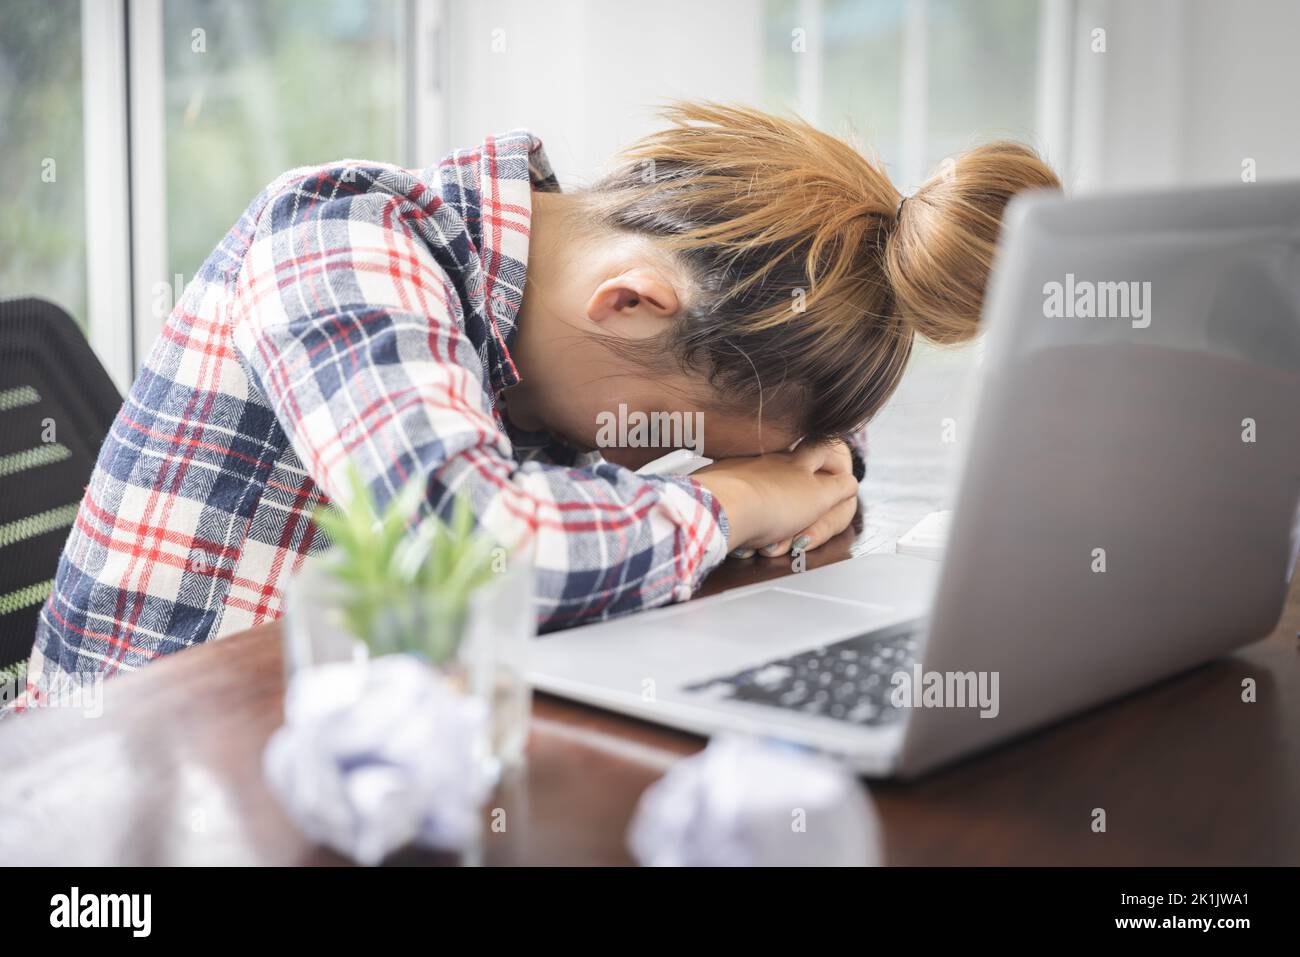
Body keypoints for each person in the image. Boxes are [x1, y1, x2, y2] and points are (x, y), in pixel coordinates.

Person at [21, 102, 1058, 698]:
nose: (651, 463)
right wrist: (738, 501)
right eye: (672, 442)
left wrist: (811, 462)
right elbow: (465, 548)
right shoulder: (337, 240)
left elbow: (807, 434)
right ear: (631, 303)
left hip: (373, 732)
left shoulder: (582, 296)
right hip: (141, 792)